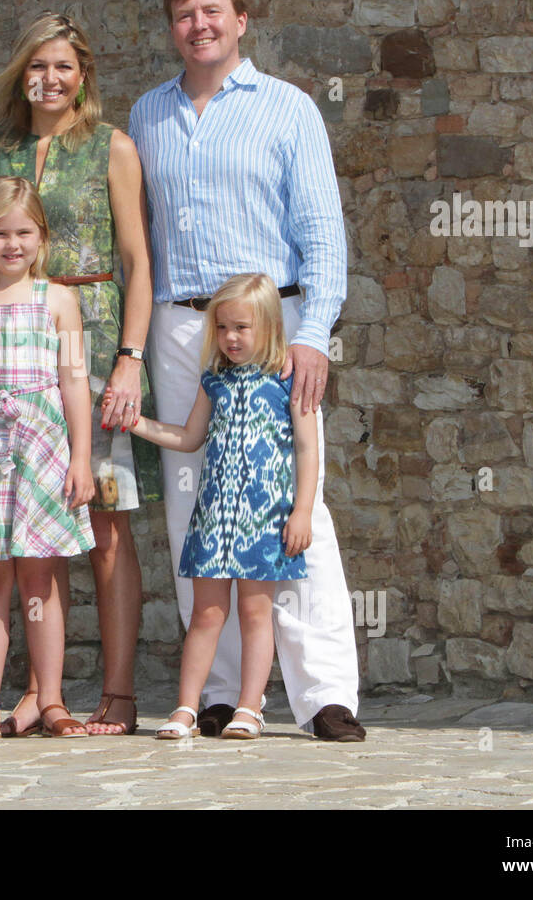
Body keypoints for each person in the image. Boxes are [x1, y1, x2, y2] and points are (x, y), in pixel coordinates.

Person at [128, 0, 365, 742]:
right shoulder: (149, 114)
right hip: (180, 326)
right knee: (196, 506)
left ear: (240, 20)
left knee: (297, 506)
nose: (198, 26)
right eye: (184, 16)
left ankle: (324, 692)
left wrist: (311, 335)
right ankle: (225, 690)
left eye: (211, 12)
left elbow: (324, 236)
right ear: (172, 28)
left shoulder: (288, 109)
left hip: (270, 328)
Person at [0, 11, 156, 736]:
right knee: (24, 531)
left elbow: (139, 261)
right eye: (36, 66)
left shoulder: (112, 147)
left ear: (84, 76)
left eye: (63, 67)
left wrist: (131, 360)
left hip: (97, 346)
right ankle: (38, 690)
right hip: (13, 352)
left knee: (105, 520)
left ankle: (116, 691)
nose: (49, 79)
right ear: (21, 72)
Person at [0, 176, 96, 741]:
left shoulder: (60, 301)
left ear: (41, 237)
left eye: (24, 232)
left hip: (41, 452)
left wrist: (82, 458)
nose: (12, 244)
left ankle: (49, 698)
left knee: (41, 578)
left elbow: (75, 379)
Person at [124, 275, 316, 740]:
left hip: (263, 520)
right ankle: (187, 707)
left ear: (269, 326)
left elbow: (307, 450)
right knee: (206, 614)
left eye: (242, 328)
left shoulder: (287, 381)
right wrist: (138, 423)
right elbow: (189, 439)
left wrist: (302, 512)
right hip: (214, 519)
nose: (231, 337)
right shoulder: (214, 381)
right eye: (224, 327)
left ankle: (250, 707)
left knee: (255, 614)